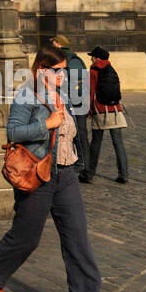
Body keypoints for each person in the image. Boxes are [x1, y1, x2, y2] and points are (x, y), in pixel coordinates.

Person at [0, 45, 108, 292]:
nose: (64, 75)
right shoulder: (27, 95)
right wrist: (45, 123)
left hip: (67, 176)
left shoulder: (62, 95)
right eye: (59, 70)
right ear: (42, 70)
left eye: (65, 70)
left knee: (78, 243)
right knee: (26, 238)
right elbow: (13, 132)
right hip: (39, 176)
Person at [50, 32, 92, 182]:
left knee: (66, 134)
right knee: (82, 136)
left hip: (68, 103)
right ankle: (86, 170)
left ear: (58, 44)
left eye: (53, 43)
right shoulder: (78, 60)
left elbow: (62, 83)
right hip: (80, 103)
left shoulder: (60, 59)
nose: (52, 46)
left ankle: (69, 166)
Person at [85, 46, 129, 184]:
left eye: (92, 56)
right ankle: (124, 174)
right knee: (118, 143)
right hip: (115, 110)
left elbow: (90, 92)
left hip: (100, 110)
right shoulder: (111, 69)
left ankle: (89, 174)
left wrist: (88, 110)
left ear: (97, 58)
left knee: (96, 143)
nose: (91, 58)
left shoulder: (94, 69)